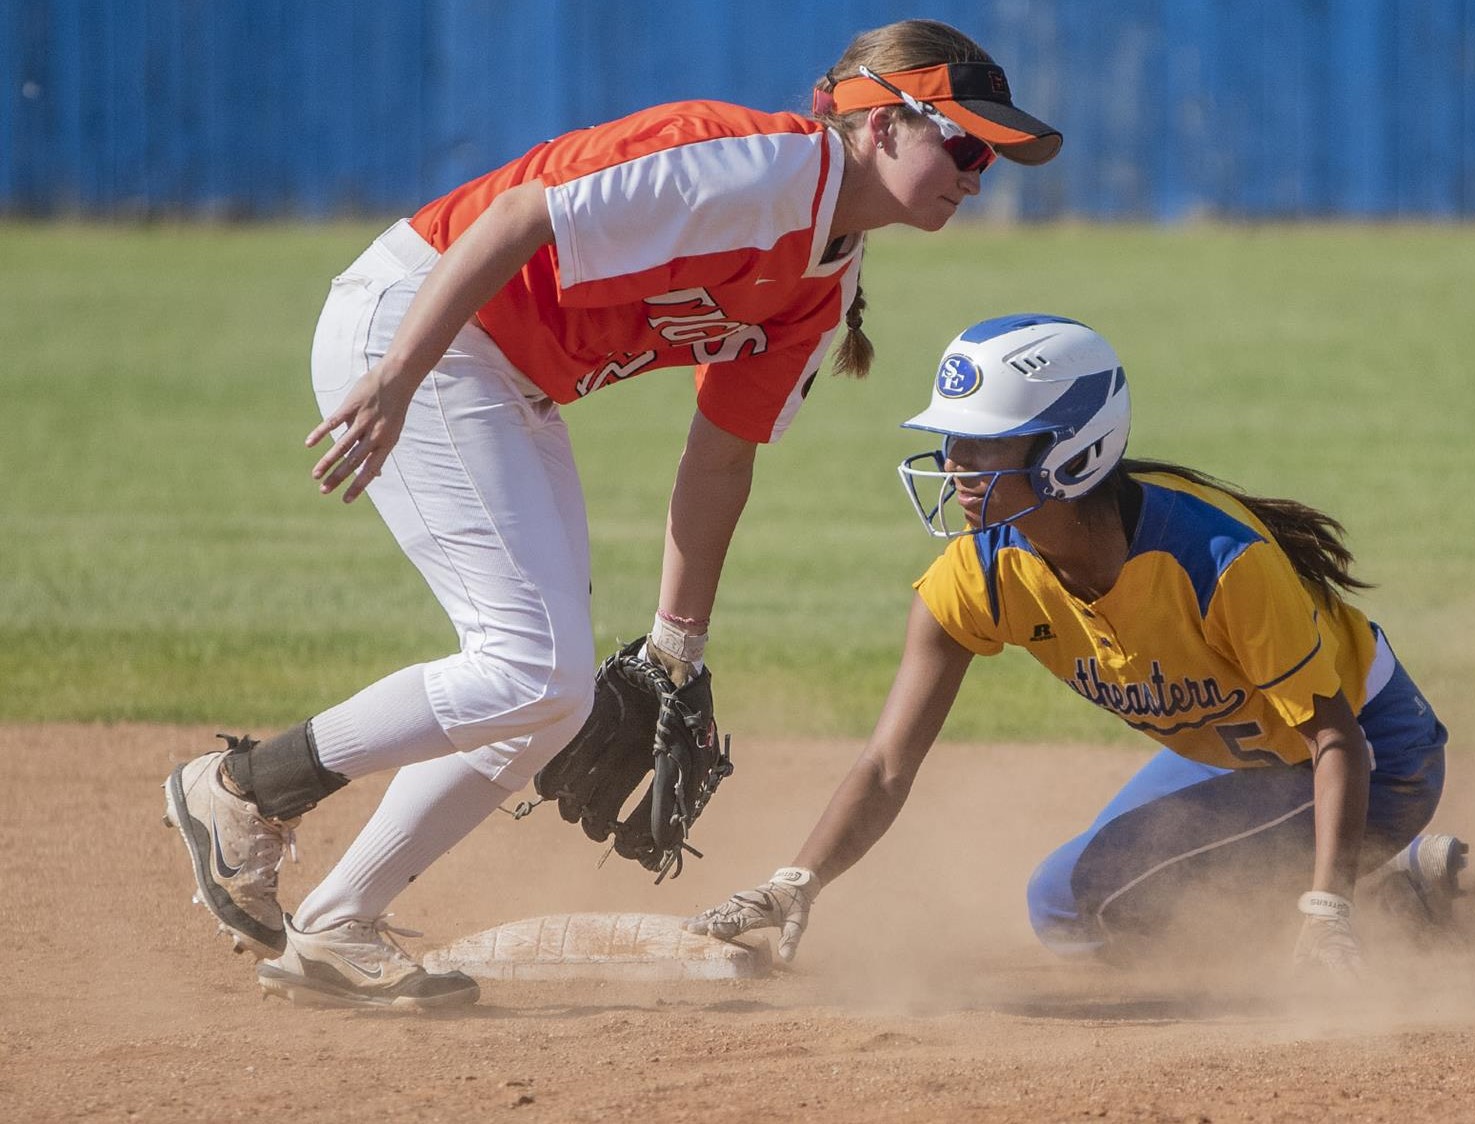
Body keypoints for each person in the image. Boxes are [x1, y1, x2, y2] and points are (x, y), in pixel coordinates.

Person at [161, 20, 1061, 1010]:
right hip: (422, 325)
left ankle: (336, 925)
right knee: (530, 666)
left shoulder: (821, 285)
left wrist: (676, 646)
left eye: (989, 158)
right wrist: (398, 375)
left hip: (506, 378)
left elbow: (720, 455)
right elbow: (515, 218)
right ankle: (246, 788)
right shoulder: (756, 168)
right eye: (963, 144)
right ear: (884, 122)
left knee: (551, 697)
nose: (976, 174)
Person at [686, 314, 1466, 977]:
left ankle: (1375, 894)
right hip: (1238, 747)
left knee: (1096, 912)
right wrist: (798, 880)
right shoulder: (982, 572)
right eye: (953, 440)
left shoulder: (1217, 562)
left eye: (985, 445)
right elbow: (887, 764)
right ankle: (1386, 886)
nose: (955, 466)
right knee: (1062, 907)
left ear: (1075, 450)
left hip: (1370, 761)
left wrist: (1327, 909)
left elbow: (1336, 738)